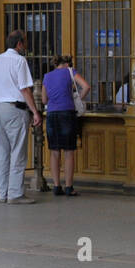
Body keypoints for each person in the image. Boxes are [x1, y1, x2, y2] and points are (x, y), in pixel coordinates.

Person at [0, 29, 43, 204]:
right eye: (25, 43)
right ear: (19, 44)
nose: (26, 46)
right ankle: (15, 193)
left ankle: (3, 192)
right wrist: (35, 112)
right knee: (18, 152)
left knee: (2, 152)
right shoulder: (19, 61)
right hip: (15, 109)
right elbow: (25, 89)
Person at [43, 54, 90, 196]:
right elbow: (86, 87)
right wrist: (76, 98)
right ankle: (69, 187)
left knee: (54, 151)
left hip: (51, 114)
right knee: (69, 151)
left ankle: (56, 186)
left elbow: (44, 99)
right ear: (68, 64)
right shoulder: (71, 72)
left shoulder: (47, 76)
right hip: (67, 114)